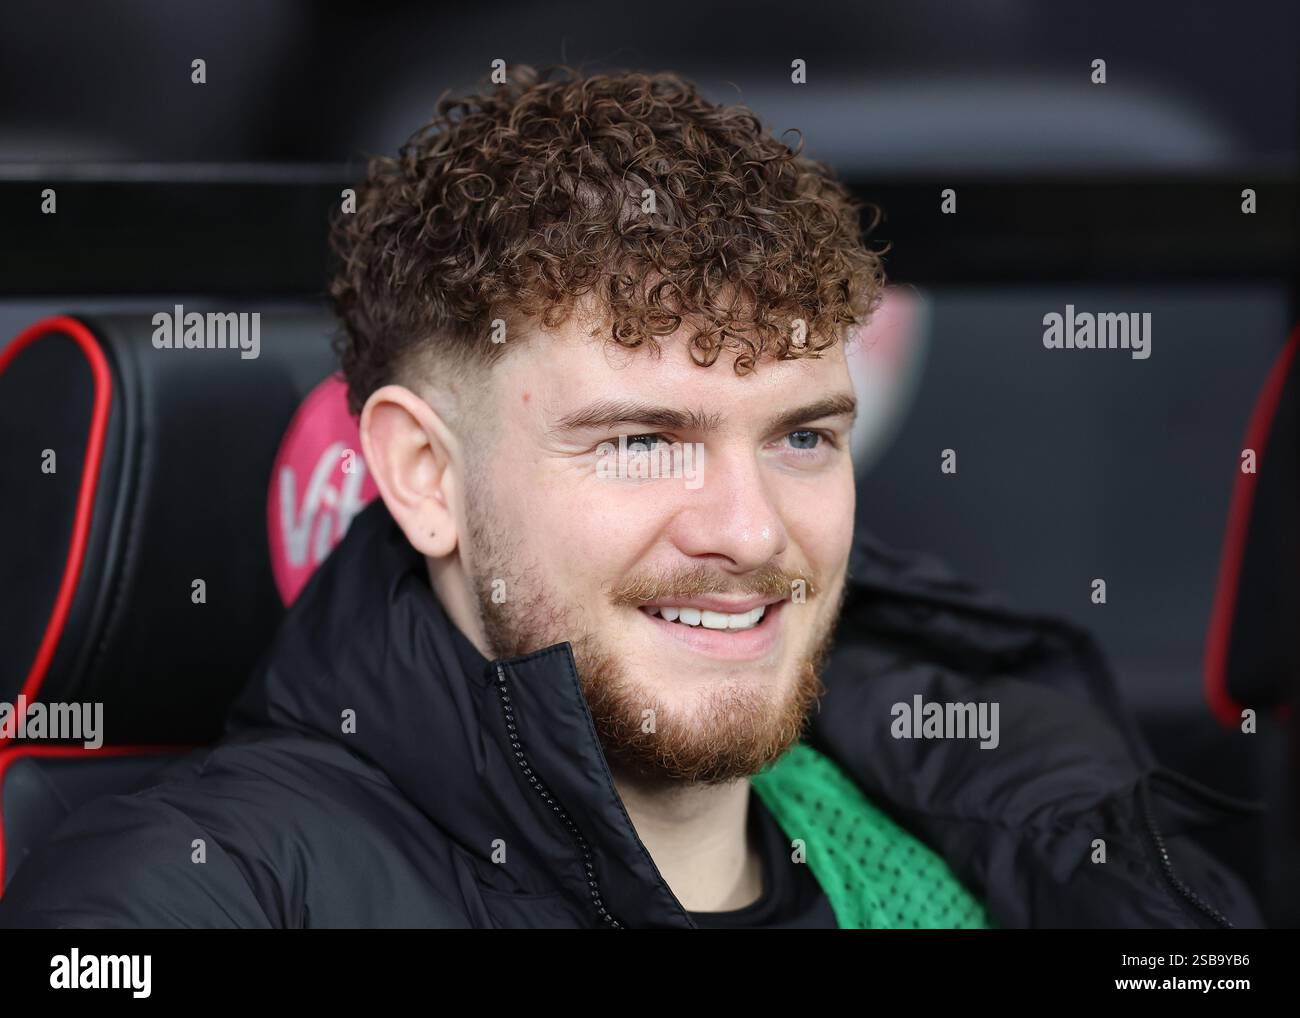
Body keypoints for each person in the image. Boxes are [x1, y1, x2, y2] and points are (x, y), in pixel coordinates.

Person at [0, 65, 1263, 929]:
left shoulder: (988, 820)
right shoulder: (198, 898)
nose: (751, 530)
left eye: (803, 438)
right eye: (644, 441)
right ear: (424, 477)